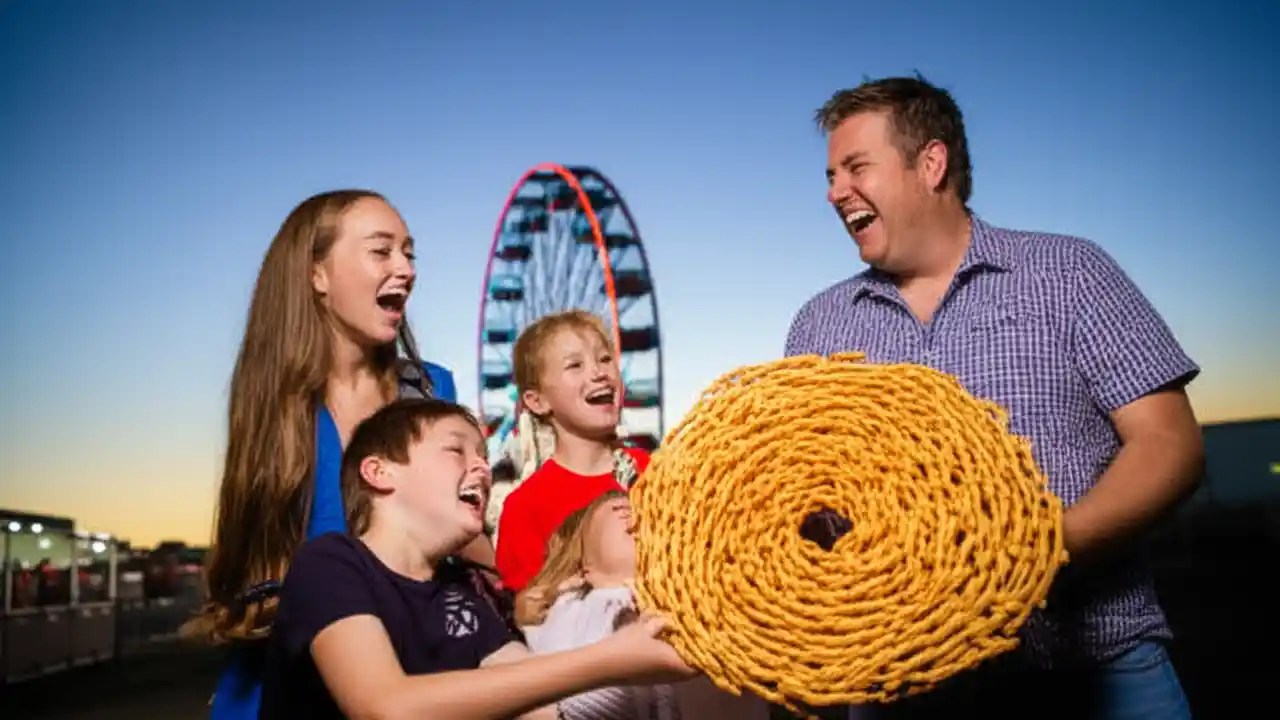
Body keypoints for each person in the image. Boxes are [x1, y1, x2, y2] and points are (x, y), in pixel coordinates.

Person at [786, 75, 1204, 718]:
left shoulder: (1070, 273)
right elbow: (802, 498)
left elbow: (1170, 445)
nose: (835, 192)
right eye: (830, 175)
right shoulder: (819, 326)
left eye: (855, 167)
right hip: (900, 690)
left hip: (1097, 671)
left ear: (930, 163)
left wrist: (1039, 553)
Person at [181, 189, 490, 719]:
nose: (406, 269)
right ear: (317, 274)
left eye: (409, 253)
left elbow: (465, 536)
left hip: (417, 665)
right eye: (382, 250)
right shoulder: (274, 410)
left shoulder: (432, 389)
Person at [259, 397, 696, 719]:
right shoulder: (330, 565)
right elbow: (385, 708)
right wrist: (613, 659)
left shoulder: (463, 595)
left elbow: (544, 707)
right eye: (457, 451)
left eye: (484, 457)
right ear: (379, 472)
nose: (483, 469)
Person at [517, 490, 771, 720]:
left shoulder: (711, 599)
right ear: (585, 569)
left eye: (644, 511)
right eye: (616, 509)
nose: (632, 513)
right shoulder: (572, 609)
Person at [494, 310, 650, 592]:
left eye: (605, 359)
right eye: (575, 365)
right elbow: (532, 614)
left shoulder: (657, 473)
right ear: (536, 401)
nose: (600, 373)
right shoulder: (525, 509)